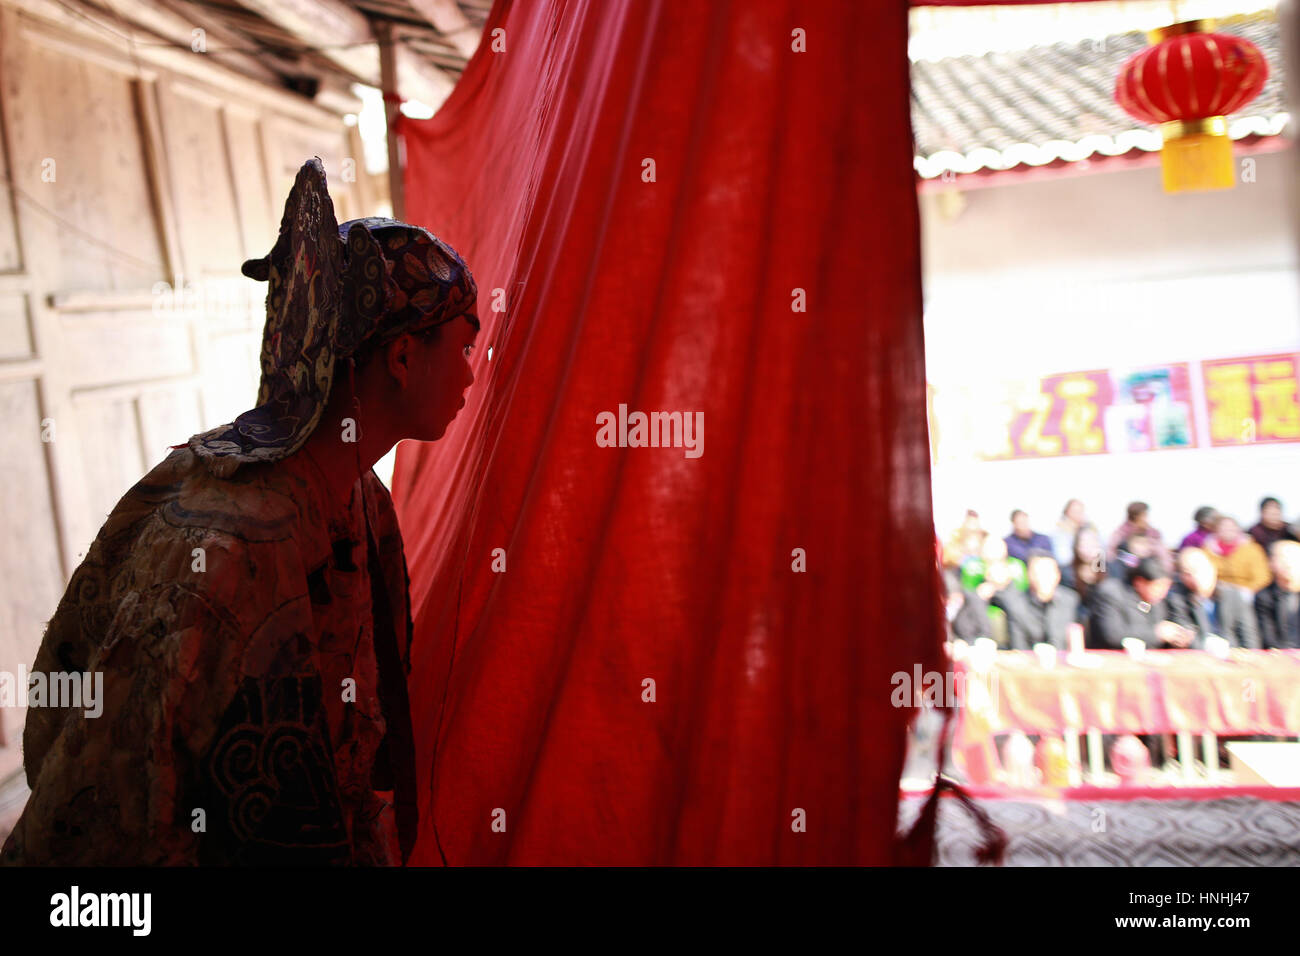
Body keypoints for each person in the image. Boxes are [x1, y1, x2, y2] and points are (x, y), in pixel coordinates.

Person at [1, 160, 479, 866]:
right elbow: (106, 816)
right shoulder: (224, 543)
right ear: (403, 357)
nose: (472, 372)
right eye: (465, 344)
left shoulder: (362, 498)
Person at [1165, 548, 1259, 649]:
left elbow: (1248, 636)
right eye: (1188, 573)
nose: (1195, 577)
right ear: (1182, 577)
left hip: (1233, 656)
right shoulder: (1177, 600)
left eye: (1199, 569)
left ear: (1212, 568)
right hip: (1199, 658)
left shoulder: (1233, 596)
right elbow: (1188, 638)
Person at [1088, 557, 1189, 650]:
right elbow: (1112, 635)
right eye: (1158, 587)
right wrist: (1157, 633)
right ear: (1139, 583)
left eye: (1166, 587)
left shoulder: (1159, 602)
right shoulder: (1112, 593)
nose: (1163, 593)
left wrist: (1177, 636)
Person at [994, 550, 1079, 650]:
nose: (1045, 577)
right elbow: (1018, 648)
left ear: (1058, 575)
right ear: (1029, 575)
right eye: (1039, 572)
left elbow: (1074, 639)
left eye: (1049, 572)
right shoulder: (1016, 605)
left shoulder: (1069, 600)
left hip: (1062, 660)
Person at [1205, 515, 1271, 594]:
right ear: (1216, 530)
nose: (1227, 530)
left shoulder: (1252, 549)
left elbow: (1262, 577)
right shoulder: (1207, 551)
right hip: (1217, 592)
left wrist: (1248, 590)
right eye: (1223, 527)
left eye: (1231, 528)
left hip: (1247, 592)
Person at [1255, 540, 1300, 649]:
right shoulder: (1264, 596)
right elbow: (1267, 637)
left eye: (1293, 558)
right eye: (1283, 559)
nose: (1288, 564)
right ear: (1271, 563)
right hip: (1279, 656)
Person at [1106, 501, 1173, 574]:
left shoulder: (1153, 534)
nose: (1147, 519)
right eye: (1145, 515)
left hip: (1150, 573)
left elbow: (1164, 557)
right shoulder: (1120, 534)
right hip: (1126, 573)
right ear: (1136, 517)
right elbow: (1111, 555)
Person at [1051, 499, 1094, 588]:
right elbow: (1063, 559)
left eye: (1080, 511)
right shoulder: (1061, 532)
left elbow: (1100, 552)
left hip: (1091, 567)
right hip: (1072, 572)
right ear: (1067, 512)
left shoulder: (1089, 529)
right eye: (1075, 511)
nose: (1079, 514)